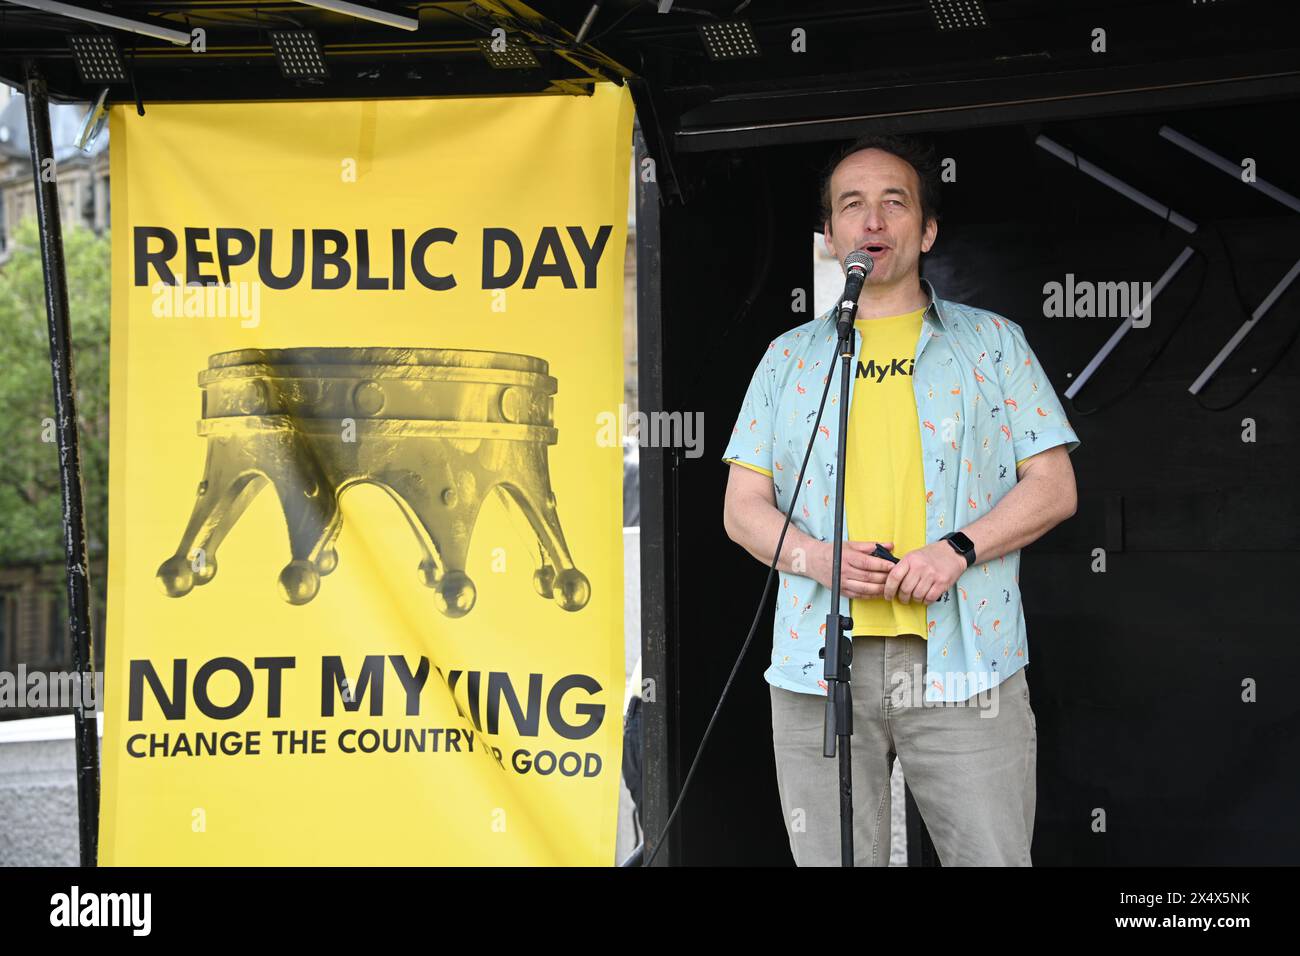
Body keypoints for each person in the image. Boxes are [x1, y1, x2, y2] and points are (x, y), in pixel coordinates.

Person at [720, 133, 1081, 866]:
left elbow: (1054, 487)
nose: (873, 221)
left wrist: (958, 550)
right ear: (829, 237)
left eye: (895, 202)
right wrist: (813, 557)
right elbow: (742, 506)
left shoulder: (994, 344)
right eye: (852, 206)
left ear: (928, 228)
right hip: (817, 665)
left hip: (965, 660)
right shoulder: (788, 358)